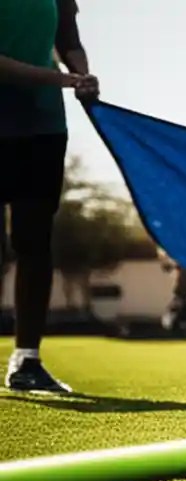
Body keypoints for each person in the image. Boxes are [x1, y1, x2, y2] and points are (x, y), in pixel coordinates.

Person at [1, 0, 98, 392]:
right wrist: (57, 79)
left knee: (33, 240)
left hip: (41, 125)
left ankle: (27, 361)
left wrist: (83, 73)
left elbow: (68, 41)